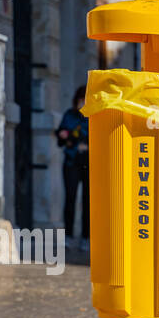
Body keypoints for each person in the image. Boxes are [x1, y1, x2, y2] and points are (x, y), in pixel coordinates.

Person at [56, 86, 89, 245]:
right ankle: (68, 235)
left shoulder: (93, 116)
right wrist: (63, 135)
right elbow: (61, 134)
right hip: (71, 162)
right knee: (70, 198)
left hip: (89, 163)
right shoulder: (70, 115)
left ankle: (86, 237)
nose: (81, 103)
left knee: (88, 201)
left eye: (85, 100)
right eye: (80, 100)